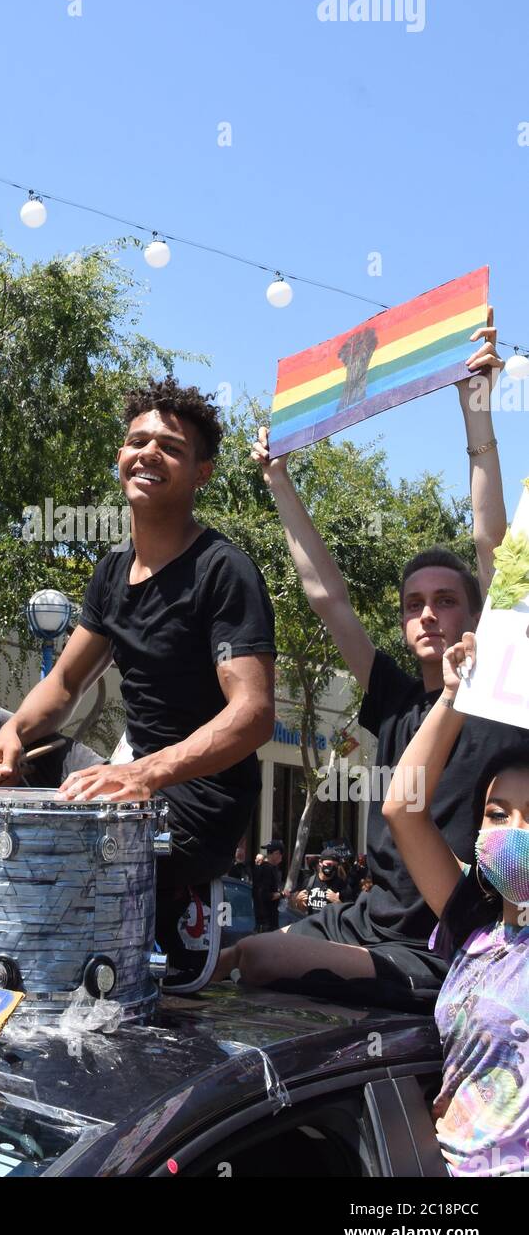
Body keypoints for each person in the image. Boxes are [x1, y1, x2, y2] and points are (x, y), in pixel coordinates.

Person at [215, 324, 529, 1002]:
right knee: (224, 957)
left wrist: (477, 410)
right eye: (414, 602)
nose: (428, 614)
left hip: (439, 946)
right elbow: (328, 598)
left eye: (446, 601)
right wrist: (279, 482)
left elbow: (492, 546)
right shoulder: (389, 695)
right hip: (362, 921)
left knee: (263, 959)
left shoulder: (501, 705)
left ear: (477, 618)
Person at [0, 377, 276, 976]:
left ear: (202, 472)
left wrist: (144, 773)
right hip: (125, 782)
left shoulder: (224, 571)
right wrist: (17, 732)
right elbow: (66, 684)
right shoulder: (112, 574)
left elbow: (252, 715)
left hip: (197, 805)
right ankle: (19, 916)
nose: (148, 452)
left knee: (102, 814)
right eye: (136, 441)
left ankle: (154, 912)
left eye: (171, 447)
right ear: (120, 457)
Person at [383, 631, 529, 1176]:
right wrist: (452, 697)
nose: (515, 830)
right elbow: (404, 808)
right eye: (497, 813)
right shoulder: (476, 921)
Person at [293, 849, 354, 915]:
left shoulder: (343, 886)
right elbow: (303, 909)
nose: (331, 867)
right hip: (312, 924)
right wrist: (298, 901)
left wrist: (337, 902)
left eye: (335, 865)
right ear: (320, 862)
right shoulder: (309, 882)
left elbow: (350, 913)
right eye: (328, 864)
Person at [252, 841, 283, 931]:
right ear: (277, 853)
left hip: (261, 923)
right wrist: (282, 894)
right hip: (267, 924)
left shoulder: (260, 868)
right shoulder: (267, 869)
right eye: (281, 854)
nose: (282, 857)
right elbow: (265, 895)